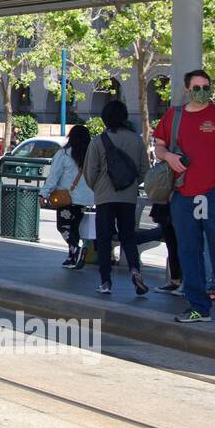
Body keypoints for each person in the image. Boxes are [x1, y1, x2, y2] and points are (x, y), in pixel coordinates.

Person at [153, 69, 215, 328]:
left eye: (205, 86)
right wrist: (168, 157)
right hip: (184, 195)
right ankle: (198, 307)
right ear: (187, 89)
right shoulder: (173, 116)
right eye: (196, 87)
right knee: (189, 252)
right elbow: (159, 145)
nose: (201, 91)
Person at [83, 100, 149, 295]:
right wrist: (132, 184)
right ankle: (135, 270)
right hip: (128, 197)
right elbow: (145, 170)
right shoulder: (136, 140)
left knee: (104, 238)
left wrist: (98, 187)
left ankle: (105, 281)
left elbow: (90, 172)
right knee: (128, 235)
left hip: (104, 196)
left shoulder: (97, 141)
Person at [40, 124, 93, 269]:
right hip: (85, 199)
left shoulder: (64, 154)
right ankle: (72, 257)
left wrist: (43, 193)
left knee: (63, 226)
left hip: (66, 197)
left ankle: (76, 248)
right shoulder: (90, 155)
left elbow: (53, 177)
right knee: (74, 227)